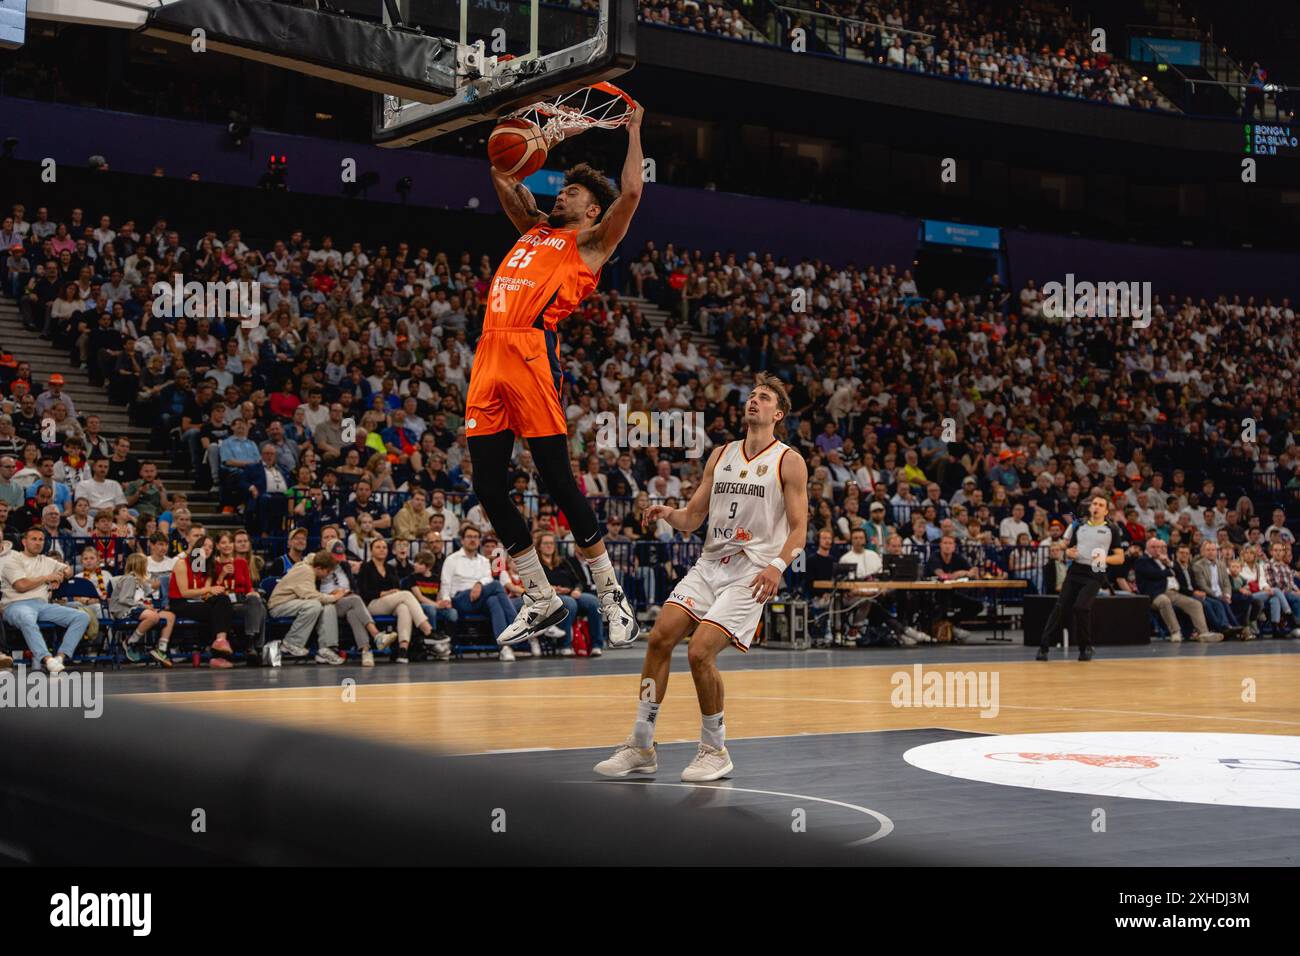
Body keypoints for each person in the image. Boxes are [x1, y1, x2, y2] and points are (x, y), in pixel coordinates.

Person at [468, 107, 645, 651]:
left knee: (557, 479)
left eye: (570, 193)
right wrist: (536, 130)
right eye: (561, 190)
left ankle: (612, 595)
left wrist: (632, 129)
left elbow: (632, 194)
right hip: (489, 352)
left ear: (591, 210)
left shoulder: (589, 244)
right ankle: (540, 598)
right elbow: (503, 172)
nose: (560, 195)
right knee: (487, 488)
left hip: (530, 350)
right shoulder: (533, 228)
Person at [595, 374, 808, 782]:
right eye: (751, 396)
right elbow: (693, 518)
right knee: (658, 638)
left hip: (753, 571)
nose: (753, 401)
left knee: (699, 652)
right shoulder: (721, 454)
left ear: (778, 413)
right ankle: (641, 744)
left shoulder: (789, 460)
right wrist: (667, 513)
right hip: (711, 564)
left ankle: (715, 749)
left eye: (763, 398)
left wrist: (777, 566)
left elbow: (799, 528)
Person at [1036, 496, 1127, 662]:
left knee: (1081, 608)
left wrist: (1103, 559)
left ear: (1106, 511)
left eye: (1101, 505)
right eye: (1094, 504)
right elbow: (1066, 547)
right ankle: (1043, 647)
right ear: (1090, 507)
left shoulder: (1112, 529)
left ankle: (1085, 647)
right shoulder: (1078, 525)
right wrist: (1067, 552)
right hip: (1076, 570)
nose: (1097, 507)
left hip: (1096, 571)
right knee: (1060, 607)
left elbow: (1120, 558)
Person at [0, 526, 85, 673]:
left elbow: (68, 570)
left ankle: (59, 657)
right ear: (24, 542)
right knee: (27, 618)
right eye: (34, 539)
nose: (38, 543)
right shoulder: (12, 560)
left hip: (42, 605)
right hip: (15, 604)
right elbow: (21, 585)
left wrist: (61, 575)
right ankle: (47, 659)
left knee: (81, 617)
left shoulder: (46, 560)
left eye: (41, 540)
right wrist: (47, 578)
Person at [356, 536, 434, 664]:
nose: (382, 550)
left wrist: (391, 594)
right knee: (406, 595)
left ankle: (403, 650)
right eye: (378, 547)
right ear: (371, 550)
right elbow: (363, 592)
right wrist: (385, 593)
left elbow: (397, 588)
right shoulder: (366, 567)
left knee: (404, 608)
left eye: (384, 547)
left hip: (391, 603)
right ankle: (427, 629)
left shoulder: (391, 568)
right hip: (372, 604)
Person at [1133, 537, 1224, 644]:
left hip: (1172, 592)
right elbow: (1154, 574)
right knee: (1164, 601)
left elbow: (1177, 571)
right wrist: (1169, 571)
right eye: (1153, 547)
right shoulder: (1142, 560)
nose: (1157, 549)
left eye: (1158, 547)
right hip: (1154, 594)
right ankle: (1175, 632)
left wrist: (1168, 563)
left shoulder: (1163, 560)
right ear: (1147, 548)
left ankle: (1203, 633)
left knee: (1195, 604)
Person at [165, 534, 237, 668]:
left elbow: (204, 595)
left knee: (222, 600)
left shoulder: (208, 567)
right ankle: (217, 655)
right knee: (217, 613)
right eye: (205, 546)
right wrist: (209, 589)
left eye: (210, 547)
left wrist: (216, 592)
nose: (208, 549)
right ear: (197, 547)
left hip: (197, 602)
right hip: (180, 602)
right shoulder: (182, 563)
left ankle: (220, 640)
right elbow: (184, 592)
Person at [266, 550, 346, 664]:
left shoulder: (309, 568)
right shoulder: (305, 570)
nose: (327, 575)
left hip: (294, 603)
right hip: (279, 606)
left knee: (328, 606)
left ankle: (326, 649)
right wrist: (335, 597)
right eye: (327, 571)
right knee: (314, 605)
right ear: (319, 568)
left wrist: (330, 598)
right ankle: (292, 642)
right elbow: (311, 596)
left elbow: (309, 594)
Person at [111, 552, 177, 664]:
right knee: (153, 617)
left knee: (169, 615)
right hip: (125, 610)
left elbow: (148, 593)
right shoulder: (129, 579)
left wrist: (149, 604)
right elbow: (124, 599)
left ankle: (161, 649)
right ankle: (130, 642)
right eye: (145, 565)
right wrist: (144, 606)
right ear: (140, 566)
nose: (147, 567)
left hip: (138, 609)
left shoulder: (141, 580)